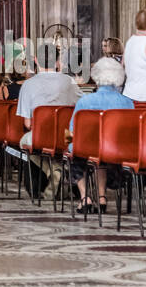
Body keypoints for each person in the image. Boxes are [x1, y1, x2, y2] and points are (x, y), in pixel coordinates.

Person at [68, 57, 134, 212]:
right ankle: (102, 197)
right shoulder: (128, 103)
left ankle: (85, 197)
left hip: (89, 149)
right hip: (118, 150)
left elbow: (72, 130)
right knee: (102, 158)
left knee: (76, 153)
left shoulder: (85, 101)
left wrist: (68, 144)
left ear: (95, 75)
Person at [16, 53, 79, 198]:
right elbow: (80, 107)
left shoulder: (28, 84)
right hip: (67, 136)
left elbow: (27, 123)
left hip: (40, 134)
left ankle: (53, 169)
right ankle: (61, 169)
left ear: (36, 61)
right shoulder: (69, 80)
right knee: (67, 144)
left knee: (23, 142)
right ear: (57, 61)